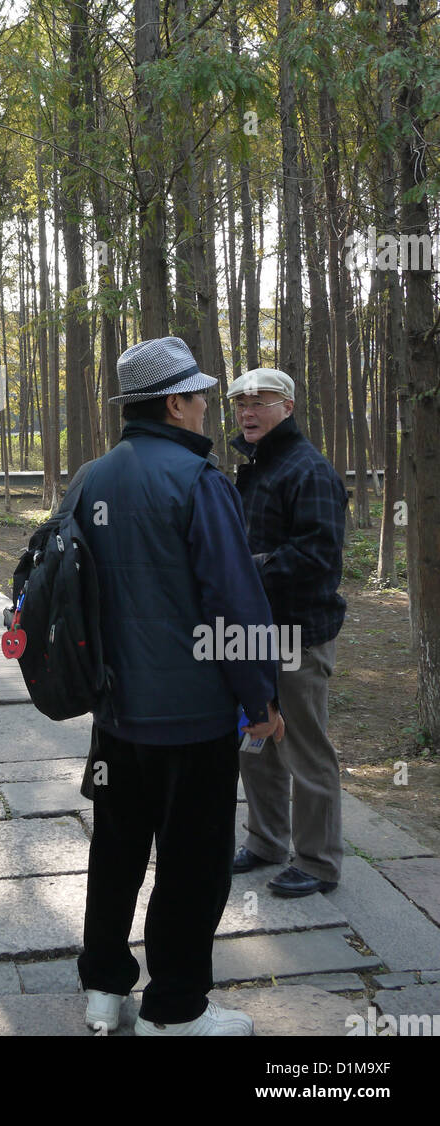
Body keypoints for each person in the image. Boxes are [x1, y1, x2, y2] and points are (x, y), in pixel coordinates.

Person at [73, 336, 284, 1038]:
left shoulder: (90, 479)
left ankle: (104, 990)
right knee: (192, 868)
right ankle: (176, 1009)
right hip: (190, 719)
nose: (206, 409)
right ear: (173, 403)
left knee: (115, 852)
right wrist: (258, 702)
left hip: (115, 715)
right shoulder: (200, 482)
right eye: (198, 396)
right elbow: (236, 602)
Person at [226, 368, 348, 898]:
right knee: (258, 737)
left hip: (300, 632)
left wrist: (247, 569)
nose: (248, 412)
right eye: (240, 403)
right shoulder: (255, 466)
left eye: (262, 402)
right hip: (254, 633)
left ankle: (319, 862)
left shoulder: (308, 469)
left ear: (289, 407)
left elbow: (320, 553)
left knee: (304, 747)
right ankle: (266, 840)